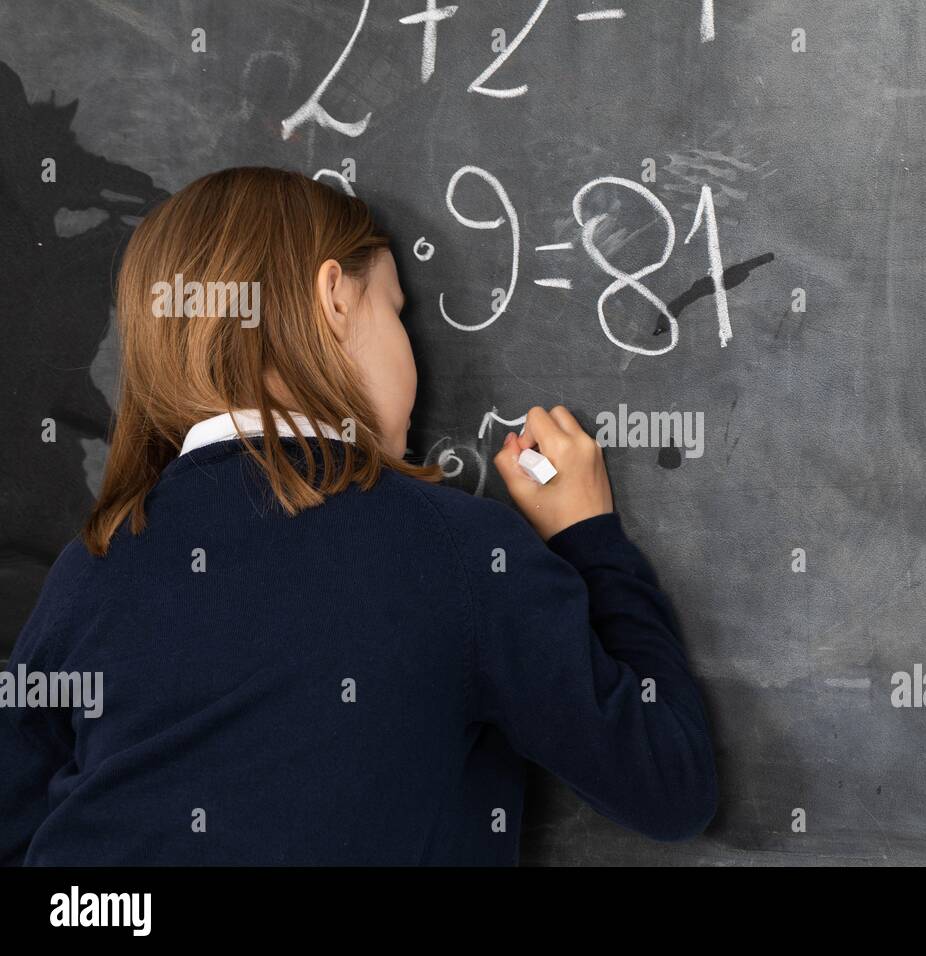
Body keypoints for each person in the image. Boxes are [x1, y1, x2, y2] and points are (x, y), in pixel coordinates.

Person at [0, 166, 717, 865]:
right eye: (396, 312)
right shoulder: (457, 550)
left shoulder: (94, 564)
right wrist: (588, 538)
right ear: (334, 297)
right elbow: (669, 788)